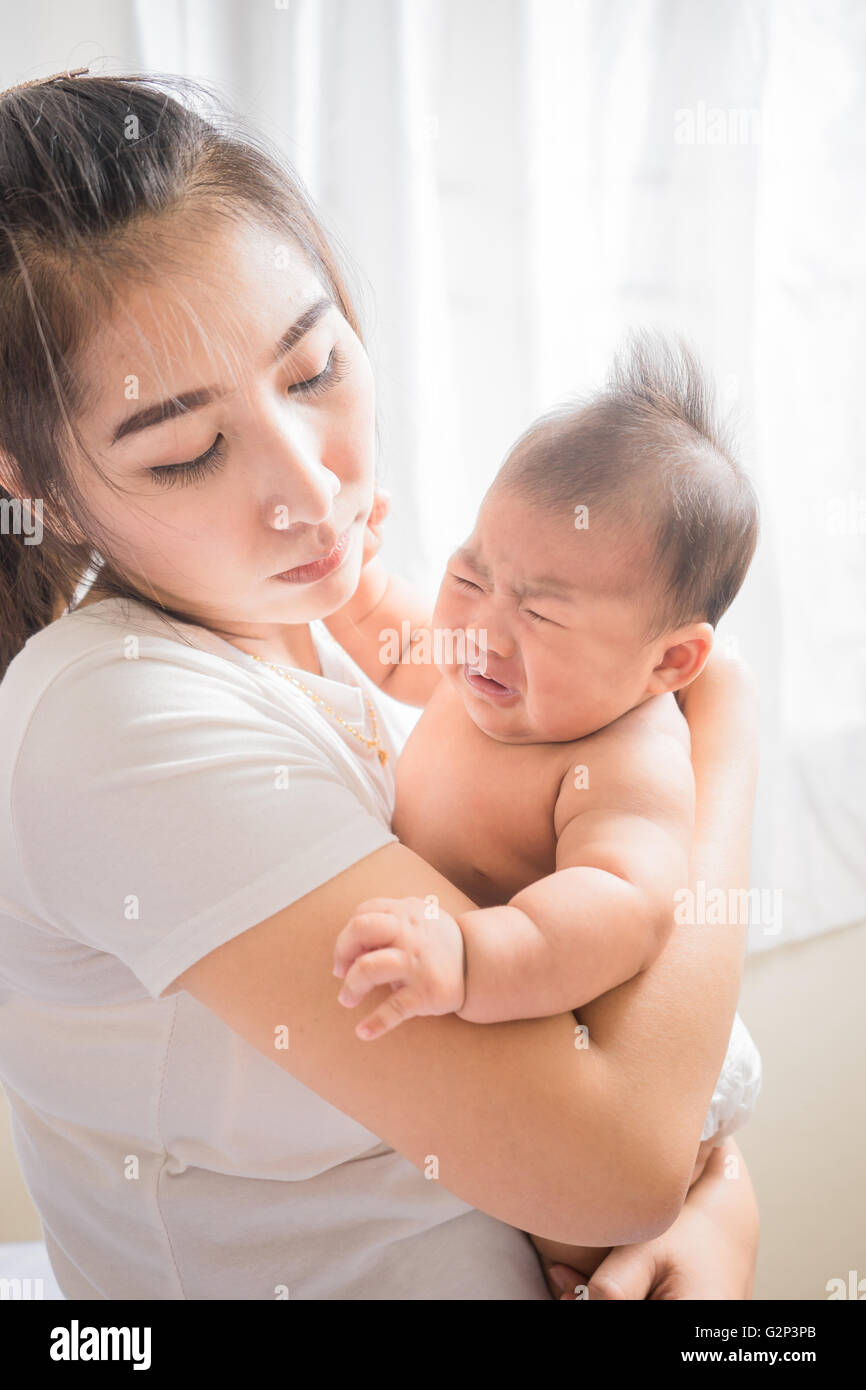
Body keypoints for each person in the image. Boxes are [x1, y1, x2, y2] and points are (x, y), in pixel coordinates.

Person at [0, 71, 759, 1299]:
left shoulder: (324, 626)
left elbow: (635, 1136)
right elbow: (616, 1162)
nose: (310, 489)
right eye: (187, 450)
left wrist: (718, 1202)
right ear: (34, 481)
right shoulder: (113, 716)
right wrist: (718, 726)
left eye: (310, 373)